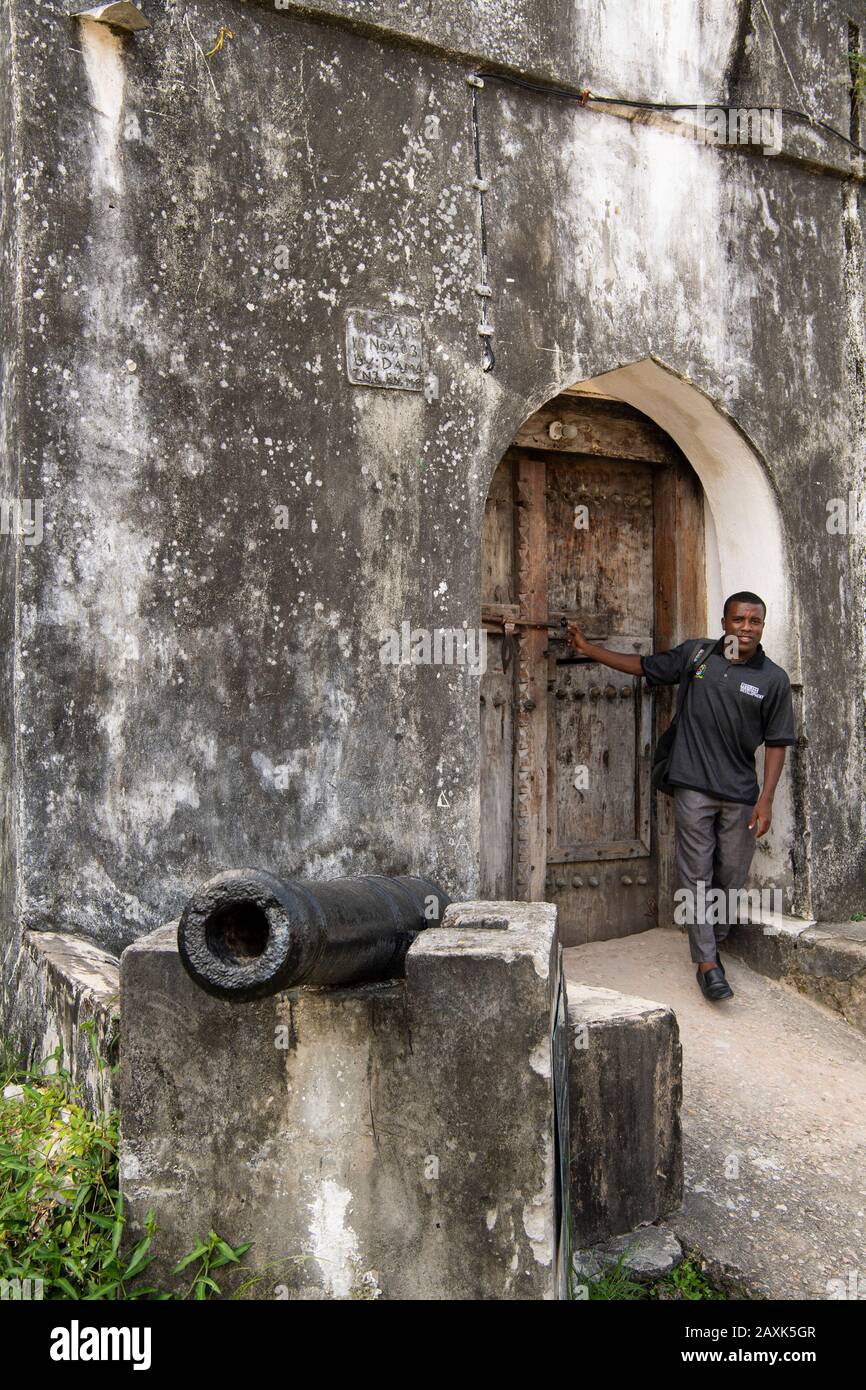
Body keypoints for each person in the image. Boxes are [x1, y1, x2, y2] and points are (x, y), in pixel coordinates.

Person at [566, 592, 796, 1002]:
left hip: (741, 793)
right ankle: (707, 964)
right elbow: (642, 666)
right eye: (739, 619)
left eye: (755, 621)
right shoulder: (698, 657)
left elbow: (778, 742)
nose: (746, 627)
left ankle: (713, 935)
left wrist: (766, 799)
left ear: (763, 626)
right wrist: (587, 649)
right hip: (692, 785)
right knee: (696, 874)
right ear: (724, 621)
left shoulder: (773, 679)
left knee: (732, 874)